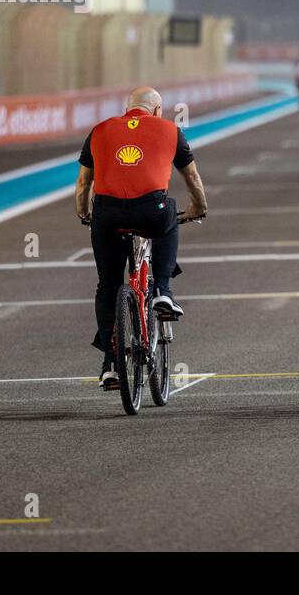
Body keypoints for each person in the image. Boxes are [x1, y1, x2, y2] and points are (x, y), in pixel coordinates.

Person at [75, 86, 208, 389]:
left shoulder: (99, 130)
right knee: (169, 214)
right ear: (158, 110)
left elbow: (83, 184)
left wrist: (84, 214)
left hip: (106, 214)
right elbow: (192, 178)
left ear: (127, 108)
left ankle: (110, 363)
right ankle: (162, 289)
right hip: (151, 209)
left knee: (108, 284)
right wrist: (198, 208)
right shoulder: (170, 130)